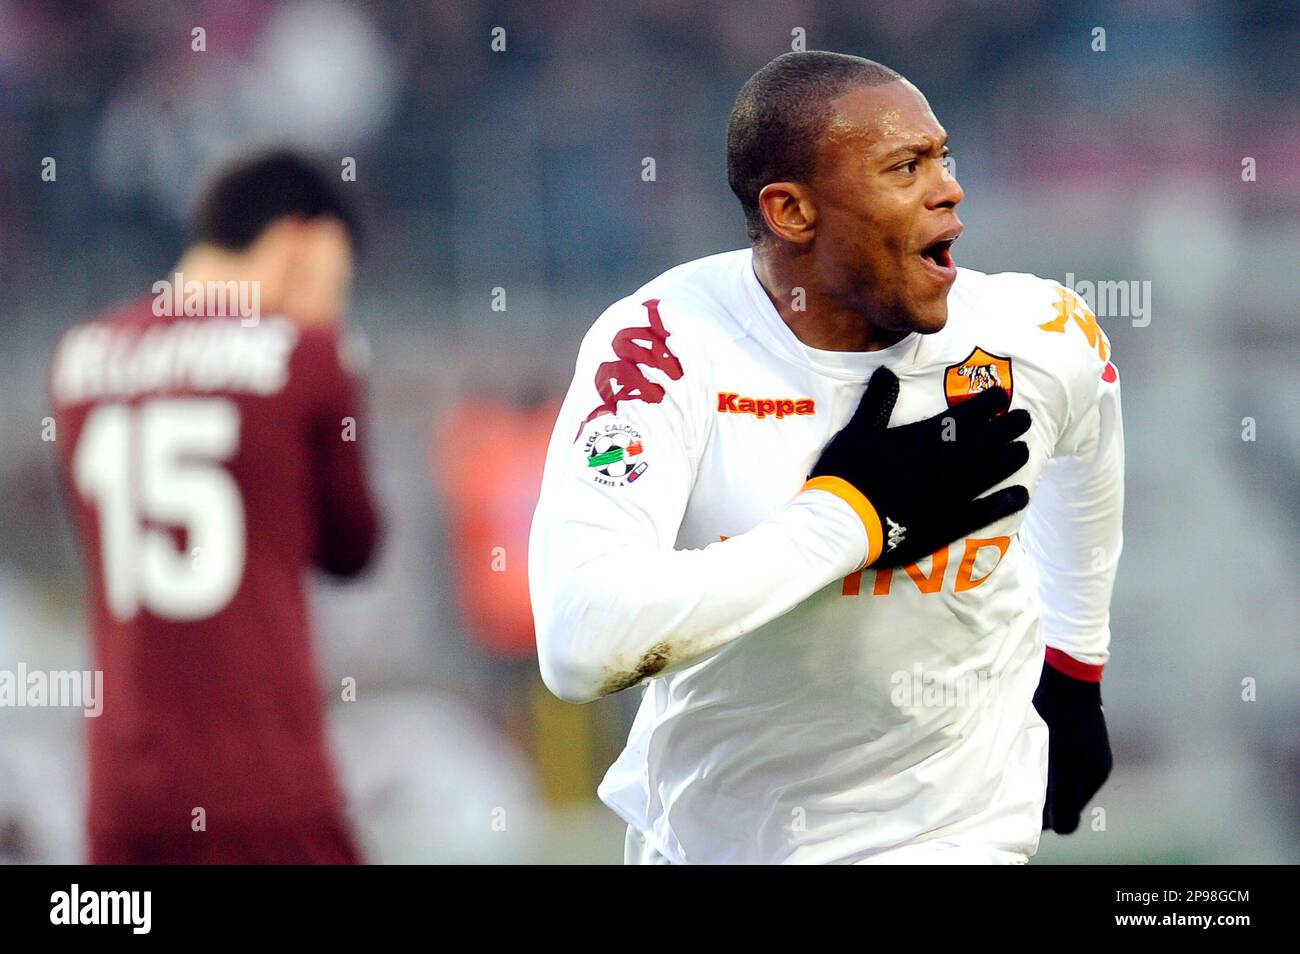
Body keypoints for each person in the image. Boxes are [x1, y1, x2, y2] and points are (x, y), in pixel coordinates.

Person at [529, 51, 1122, 864]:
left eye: (943, 158)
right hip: (704, 839)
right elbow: (578, 642)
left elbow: (1090, 452)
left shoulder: (1037, 337)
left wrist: (1076, 668)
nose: (947, 188)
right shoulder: (664, 350)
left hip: (950, 834)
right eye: (904, 167)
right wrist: (851, 518)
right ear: (792, 211)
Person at [50, 150, 381, 863]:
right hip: (264, 782)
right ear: (304, 239)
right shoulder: (310, 354)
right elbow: (353, 548)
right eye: (338, 275)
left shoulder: (80, 358)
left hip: (121, 796)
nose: (334, 301)